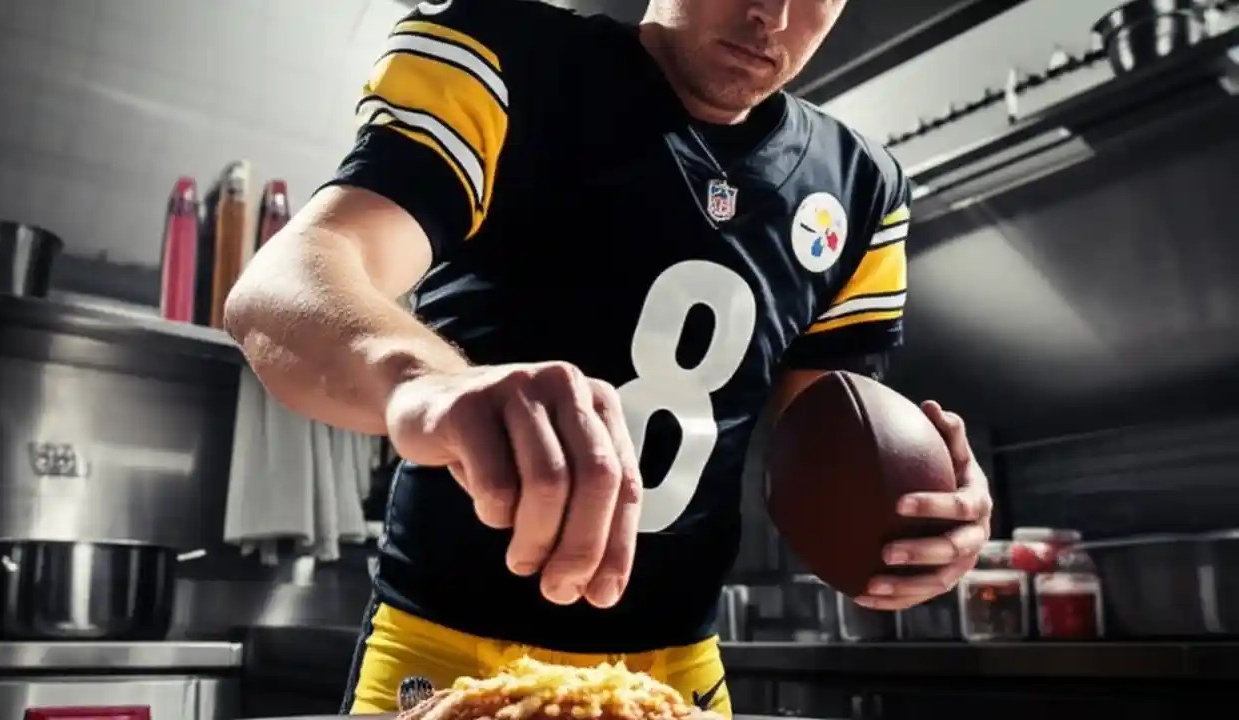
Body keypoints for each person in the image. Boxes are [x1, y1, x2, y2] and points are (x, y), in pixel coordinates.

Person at [224, 0, 994, 716]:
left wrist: (922, 516)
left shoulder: (861, 187)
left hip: (679, 667)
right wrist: (429, 384)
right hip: (448, 645)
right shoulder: (507, 57)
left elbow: (829, 444)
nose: (772, 15)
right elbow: (285, 281)